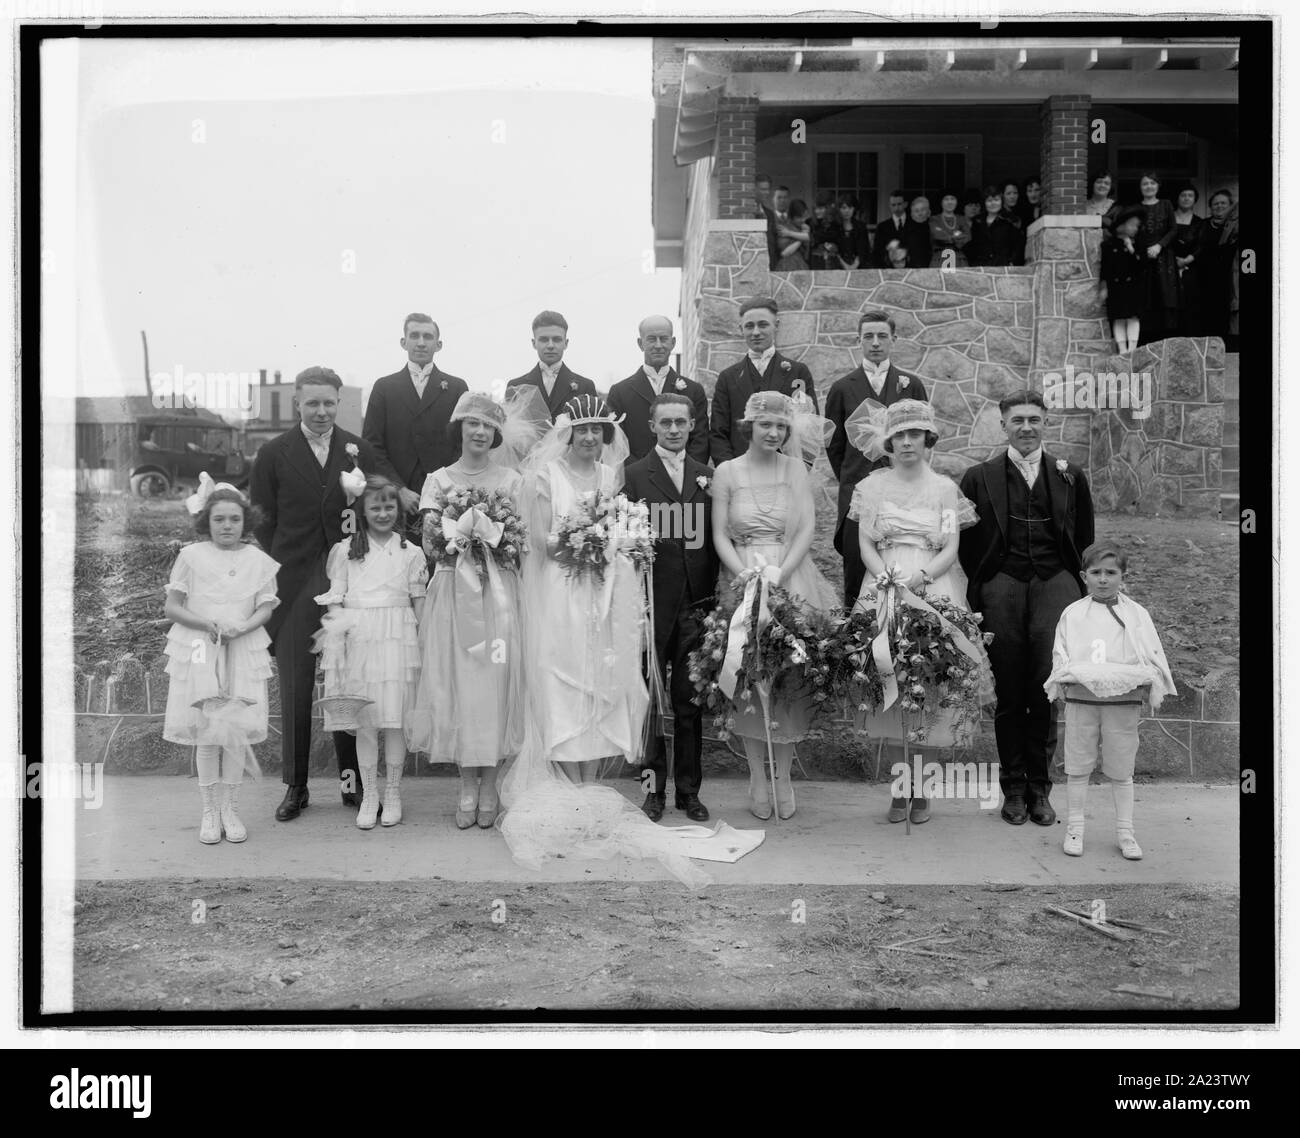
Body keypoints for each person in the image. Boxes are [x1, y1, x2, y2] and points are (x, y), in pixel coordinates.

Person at [848, 400, 994, 825]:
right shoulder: (871, 488)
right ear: (888, 442)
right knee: (892, 690)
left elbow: (950, 545)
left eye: (915, 434)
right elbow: (865, 545)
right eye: (899, 435)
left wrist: (923, 577)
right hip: (884, 588)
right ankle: (899, 790)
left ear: (928, 440)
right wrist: (888, 581)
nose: (907, 442)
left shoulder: (945, 489)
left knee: (930, 687)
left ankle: (923, 788)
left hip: (933, 589)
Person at [958, 391, 1094, 827]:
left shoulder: (1070, 475)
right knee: (1011, 690)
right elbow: (966, 543)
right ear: (1003, 426)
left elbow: (1085, 537)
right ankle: (1013, 789)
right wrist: (988, 582)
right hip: (1004, 583)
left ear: (1045, 421)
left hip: (1055, 584)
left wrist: (1074, 586)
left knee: (1045, 687)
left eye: (1034, 419)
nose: (1026, 427)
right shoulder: (979, 477)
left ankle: (1041, 789)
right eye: (1017, 420)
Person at [250, 366, 380, 822]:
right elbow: (262, 521)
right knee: (296, 680)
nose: (321, 411)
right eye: (312, 403)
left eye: (329, 403)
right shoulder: (273, 452)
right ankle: (296, 786)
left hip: (348, 579)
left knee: (347, 680)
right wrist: (287, 566)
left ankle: (351, 782)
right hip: (296, 580)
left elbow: (375, 508)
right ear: (297, 404)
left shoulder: (357, 449)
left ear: (338, 403)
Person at [711, 392, 839, 820]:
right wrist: (745, 575)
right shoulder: (727, 472)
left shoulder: (795, 470)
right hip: (743, 574)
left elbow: (806, 528)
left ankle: (783, 774)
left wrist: (781, 574)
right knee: (748, 677)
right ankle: (756, 776)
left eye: (782, 426)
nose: (774, 433)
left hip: (789, 574)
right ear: (750, 425)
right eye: (766, 424)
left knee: (786, 679)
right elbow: (719, 536)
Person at [406, 394, 528, 829]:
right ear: (458, 428)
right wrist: (463, 544)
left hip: (497, 596)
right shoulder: (437, 480)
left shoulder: (511, 480)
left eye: (487, 426)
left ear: (496, 434)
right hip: (453, 595)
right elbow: (430, 542)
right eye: (472, 424)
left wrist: (494, 546)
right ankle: (466, 784)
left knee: (493, 682)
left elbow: (521, 544)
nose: (479, 432)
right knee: (459, 683)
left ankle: (490, 782)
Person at [518, 394, 646, 779]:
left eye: (596, 429)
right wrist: (587, 542)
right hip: (561, 588)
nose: (590, 437)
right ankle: (567, 777)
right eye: (582, 430)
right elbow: (541, 540)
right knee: (561, 673)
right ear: (568, 434)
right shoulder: (547, 476)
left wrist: (619, 542)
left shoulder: (610, 477)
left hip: (602, 589)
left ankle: (590, 777)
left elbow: (620, 528)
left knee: (599, 674)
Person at [163, 477, 279, 844]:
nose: (227, 526)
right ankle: (209, 811)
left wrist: (241, 627)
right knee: (208, 731)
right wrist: (208, 624)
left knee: (235, 733)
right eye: (219, 519)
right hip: (200, 648)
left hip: (241, 645)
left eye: (234, 519)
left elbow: (266, 607)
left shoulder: (258, 560)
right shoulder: (190, 557)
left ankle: (231, 808)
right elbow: (173, 607)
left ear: (246, 521)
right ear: (206, 522)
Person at [1044, 542, 1176, 860]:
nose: (1103, 579)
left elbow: (1151, 654)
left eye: (1111, 573)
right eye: (1096, 572)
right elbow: (1061, 654)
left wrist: (1143, 677)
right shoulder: (1073, 614)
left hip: (1122, 701)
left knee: (1121, 768)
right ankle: (1075, 827)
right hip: (1082, 700)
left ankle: (1125, 832)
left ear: (1123, 576)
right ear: (1083, 576)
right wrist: (1072, 674)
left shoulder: (1136, 614)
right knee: (1077, 765)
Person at [623, 393, 720, 823]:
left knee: (689, 701)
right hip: (650, 604)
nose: (675, 429)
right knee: (648, 702)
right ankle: (651, 791)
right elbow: (625, 541)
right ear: (652, 426)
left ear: (693, 424)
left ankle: (689, 791)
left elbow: (714, 539)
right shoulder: (634, 476)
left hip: (695, 604)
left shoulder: (706, 477)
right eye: (666, 423)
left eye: (682, 422)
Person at [313, 474, 426, 830]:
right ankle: (370, 793)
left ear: (398, 510)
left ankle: (393, 792)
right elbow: (336, 601)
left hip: (397, 637)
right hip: (360, 638)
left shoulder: (412, 552)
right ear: (362, 510)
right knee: (364, 724)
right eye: (375, 506)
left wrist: (425, 641)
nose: (383, 513)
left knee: (394, 721)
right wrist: (337, 643)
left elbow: (419, 603)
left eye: (389, 506)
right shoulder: (347, 550)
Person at [826, 310, 929, 608]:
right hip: (858, 494)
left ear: (893, 340)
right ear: (858, 340)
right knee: (857, 573)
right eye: (868, 336)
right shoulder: (842, 388)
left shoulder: (912, 385)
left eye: (882, 336)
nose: (875, 343)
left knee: (903, 571)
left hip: (904, 494)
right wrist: (855, 476)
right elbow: (834, 447)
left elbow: (923, 438)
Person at [362, 312, 470, 536]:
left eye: (428, 337)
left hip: (445, 500)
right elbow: (372, 446)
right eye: (414, 335)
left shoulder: (457, 387)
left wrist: (447, 489)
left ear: (438, 344)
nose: (421, 342)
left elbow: (462, 444)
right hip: (397, 504)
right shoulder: (384, 387)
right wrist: (398, 489)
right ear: (404, 342)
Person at [709, 297, 818, 464]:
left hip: (785, 473)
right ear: (741, 329)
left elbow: (807, 428)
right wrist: (731, 471)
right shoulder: (727, 378)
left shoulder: (797, 373)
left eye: (763, 324)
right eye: (749, 326)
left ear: (777, 325)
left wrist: (797, 470)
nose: (756, 332)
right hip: (740, 475)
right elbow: (718, 432)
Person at [606, 315, 710, 465]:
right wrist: (638, 475)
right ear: (640, 344)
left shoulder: (694, 390)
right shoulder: (620, 392)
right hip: (636, 479)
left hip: (682, 478)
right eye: (651, 339)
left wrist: (685, 473)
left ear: (673, 342)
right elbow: (616, 442)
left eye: (664, 338)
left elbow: (700, 440)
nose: (658, 345)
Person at [505, 310, 597, 420]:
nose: (550, 345)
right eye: (544, 339)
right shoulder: (516, 386)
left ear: (566, 343)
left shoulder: (585, 386)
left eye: (557, 339)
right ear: (534, 343)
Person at [1136, 173, 1177, 344]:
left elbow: (1173, 229)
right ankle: (1146, 342)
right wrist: (1141, 250)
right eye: (1145, 183)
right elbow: (1133, 231)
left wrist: (1159, 245)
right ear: (1140, 187)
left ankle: (1166, 341)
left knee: (1165, 295)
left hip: (1164, 257)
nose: (1149, 186)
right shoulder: (1136, 207)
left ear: (1158, 186)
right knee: (1145, 298)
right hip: (1143, 259)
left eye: (1152, 183)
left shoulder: (1166, 204)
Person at [1100, 206, 1147, 354]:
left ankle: (1132, 350)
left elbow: (1142, 265)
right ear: (1121, 226)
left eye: (1136, 226)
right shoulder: (1108, 245)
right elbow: (1105, 268)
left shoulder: (1138, 244)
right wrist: (1103, 287)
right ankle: (1122, 350)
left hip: (1134, 286)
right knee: (1118, 317)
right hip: (1116, 286)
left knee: (1133, 318)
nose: (1135, 228)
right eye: (1132, 224)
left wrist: (1131, 248)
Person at [1200, 189, 1239, 349]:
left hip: (1229, 281)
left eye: (1223, 203)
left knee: (1228, 321)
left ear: (1231, 206)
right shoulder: (1203, 225)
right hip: (1206, 281)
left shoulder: (1236, 227)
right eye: (1215, 203)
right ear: (1210, 207)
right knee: (1208, 322)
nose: (1219, 206)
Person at [1170, 186, 1206, 335]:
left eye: (1190, 195)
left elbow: (1201, 246)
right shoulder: (1168, 219)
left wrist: (1185, 261)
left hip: (1190, 267)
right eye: (1183, 195)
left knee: (1189, 303)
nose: (1186, 198)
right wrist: (1172, 260)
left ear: (1194, 200)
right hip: (1168, 267)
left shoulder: (1200, 222)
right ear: (1177, 198)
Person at [967, 186, 1019, 267]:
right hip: (981, 265)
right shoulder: (977, 221)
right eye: (989, 200)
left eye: (996, 200)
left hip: (1003, 265)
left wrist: (1012, 261)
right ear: (984, 203)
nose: (993, 203)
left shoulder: (1009, 220)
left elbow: (1016, 246)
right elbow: (973, 245)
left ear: (1001, 201)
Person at [825, 193, 870, 270]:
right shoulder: (834, 227)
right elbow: (833, 250)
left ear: (854, 209)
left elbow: (864, 249)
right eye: (844, 208)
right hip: (837, 267)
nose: (847, 211)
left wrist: (854, 266)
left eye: (850, 207)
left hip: (858, 267)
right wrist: (845, 266)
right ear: (839, 209)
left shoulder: (861, 226)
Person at [928, 190, 972, 267]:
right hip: (939, 259)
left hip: (959, 260)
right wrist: (956, 234)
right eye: (946, 199)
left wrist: (946, 234)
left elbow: (967, 236)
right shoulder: (934, 219)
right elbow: (937, 235)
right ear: (941, 202)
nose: (950, 202)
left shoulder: (962, 219)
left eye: (952, 199)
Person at [872, 189, 911, 268]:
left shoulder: (915, 225)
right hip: (888, 270)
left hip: (912, 270)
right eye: (893, 205)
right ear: (889, 206)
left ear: (905, 204)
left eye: (899, 204)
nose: (896, 208)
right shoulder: (882, 227)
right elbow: (877, 253)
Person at [774, 198, 812, 271]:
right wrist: (801, 239)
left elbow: (807, 253)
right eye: (799, 217)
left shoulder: (805, 227)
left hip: (802, 265)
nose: (803, 220)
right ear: (791, 217)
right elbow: (784, 253)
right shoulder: (783, 228)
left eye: (805, 216)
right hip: (787, 266)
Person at [809, 190, 839, 270]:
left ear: (829, 208)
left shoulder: (836, 223)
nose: (817, 211)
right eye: (815, 208)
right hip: (815, 262)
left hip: (832, 263)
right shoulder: (810, 222)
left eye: (821, 208)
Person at [900, 196, 933, 268]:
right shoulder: (906, 230)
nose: (920, 213)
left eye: (923, 210)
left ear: (929, 212)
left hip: (933, 266)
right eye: (916, 211)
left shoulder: (934, 227)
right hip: (912, 268)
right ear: (912, 214)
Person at [1000, 181, 1027, 265]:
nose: (1012, 196)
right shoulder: (999, 216)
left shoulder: (1021, 215)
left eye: (1015, 193)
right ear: (1002, 195)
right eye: (1008, 193)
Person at [1085, 170, 1119, 237]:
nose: (1102, 185)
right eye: (1099, 182)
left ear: (1110, 187)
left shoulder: (1116, 207)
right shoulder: (1083, 206)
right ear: (1093, 184)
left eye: (1106, 183)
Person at [768, 185, 794, 271]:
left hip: (794, 263)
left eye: (785, 197)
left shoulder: (795, 218)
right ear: (773, 199)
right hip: (775, 263)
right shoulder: (769, 218)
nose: (782, 200)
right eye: (779, 197)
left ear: (789, 199)